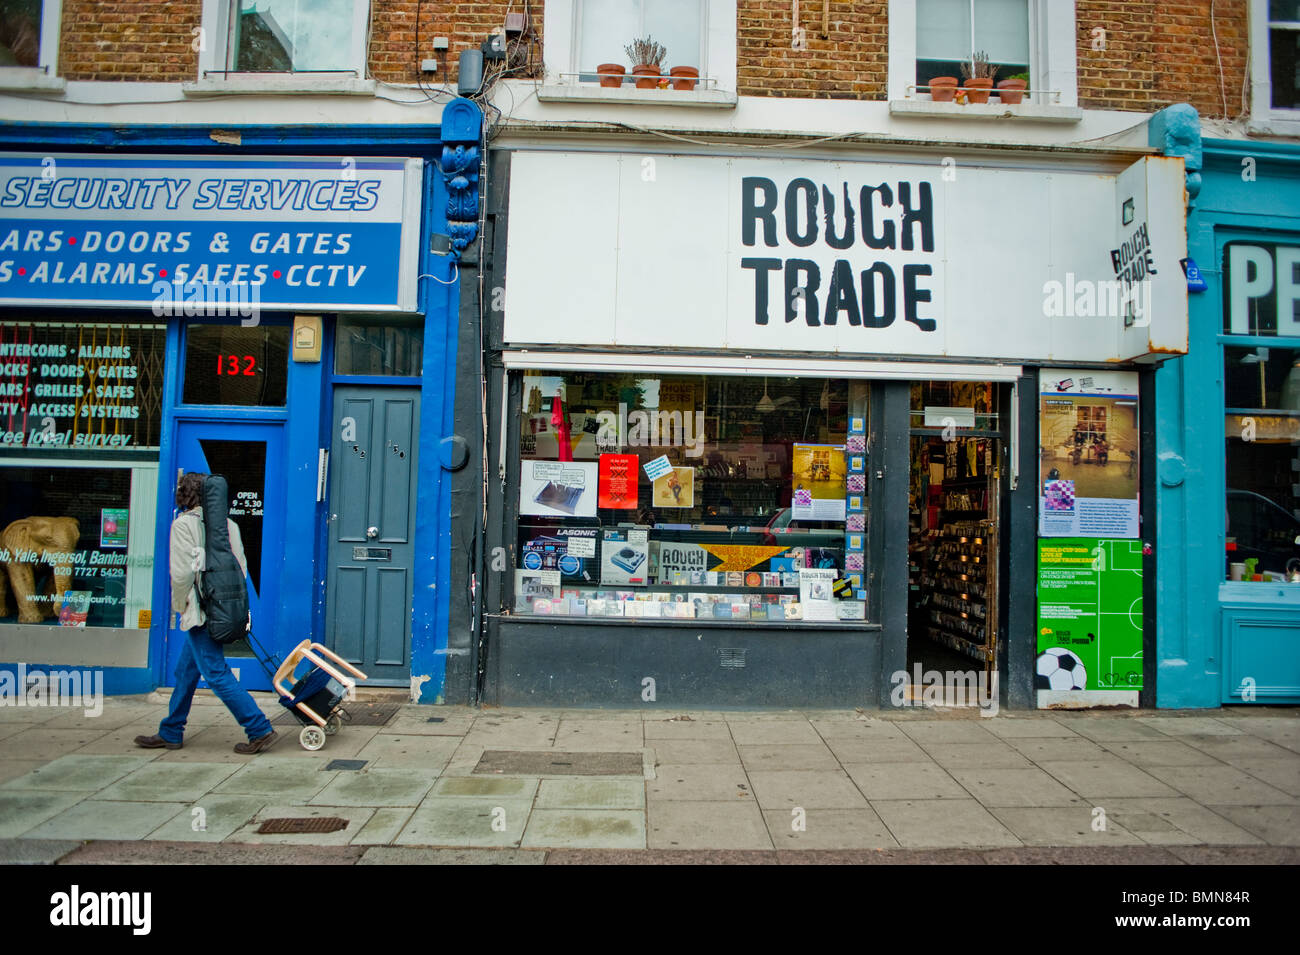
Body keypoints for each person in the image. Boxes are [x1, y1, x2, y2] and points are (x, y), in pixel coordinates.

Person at [135, 472, 278, 754]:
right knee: (186, 671)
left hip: (198, 611)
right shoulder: (229, 525)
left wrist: (181, 607)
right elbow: (240, 567)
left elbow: (180, 575)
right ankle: (171, 731)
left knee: (215, 673)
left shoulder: (183, 525)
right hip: (221, 609)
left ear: (184, 494)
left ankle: (258, 727)